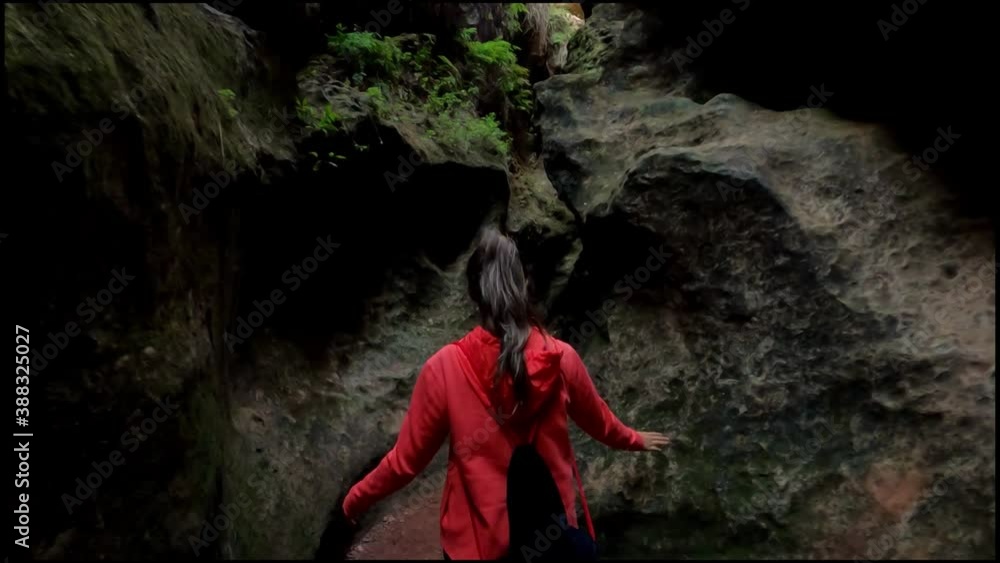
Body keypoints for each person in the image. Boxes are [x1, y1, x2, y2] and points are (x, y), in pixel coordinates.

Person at [342, 227, 670, 560]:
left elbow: (405, 462)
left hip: (475, 545)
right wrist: (632, 438)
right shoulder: (561, 359)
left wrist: (355, 499)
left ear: (473, 292)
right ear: (523, 286)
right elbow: (597, 419)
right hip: (549, 539)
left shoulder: (445, 368)